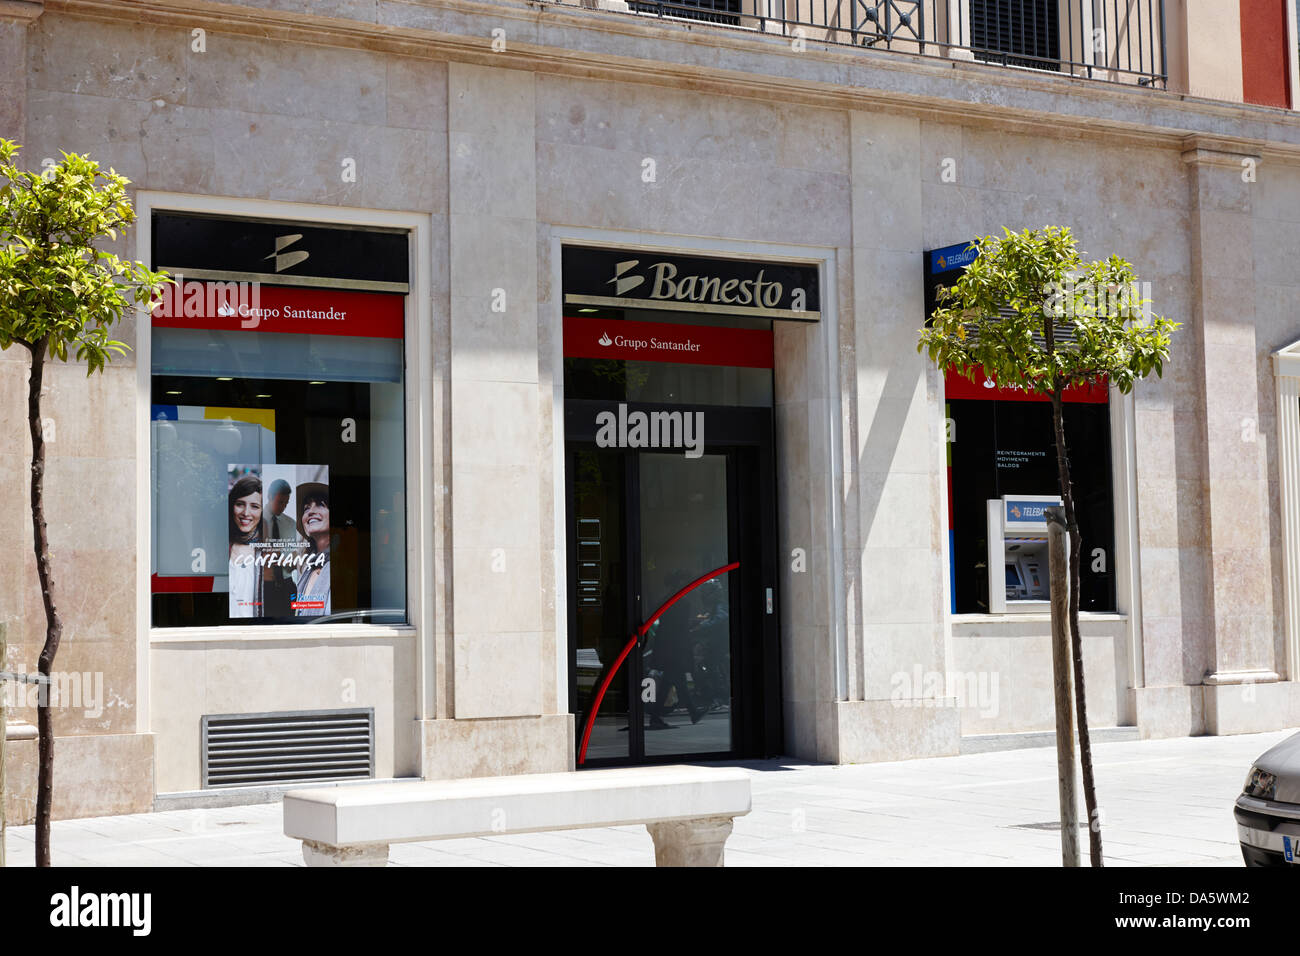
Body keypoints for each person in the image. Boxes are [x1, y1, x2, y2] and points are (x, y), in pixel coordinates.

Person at [227, 473, 266, 618]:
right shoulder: (221, 546)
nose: (246, 513)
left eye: (255, 506)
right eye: (240, 504)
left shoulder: (269, 552)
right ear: (232, 506)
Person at [292, 482, 331, 617]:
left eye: (321, 504)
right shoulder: (307, 568)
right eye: (306, 508)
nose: (311, 512)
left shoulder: (344, 565)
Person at [262, 478, 297, 617]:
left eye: (286, 503)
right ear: (269, 497)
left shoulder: (290, 524)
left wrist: (290, 562)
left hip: (287, 585)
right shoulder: (255, 521)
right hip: (265, 586)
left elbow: (295, 556)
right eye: (280, 502)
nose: (283, 507)